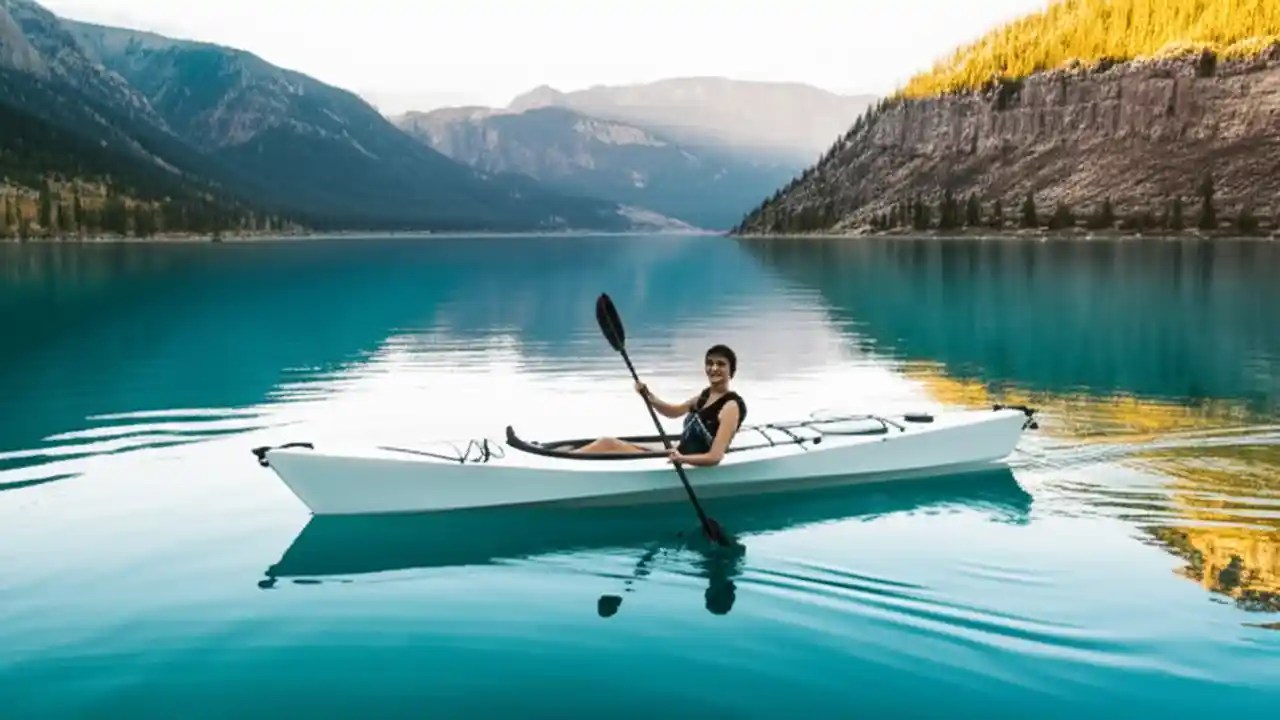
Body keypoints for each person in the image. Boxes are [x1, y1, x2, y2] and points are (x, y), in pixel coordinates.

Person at [573, 344, 747, 467]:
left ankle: (568, 462)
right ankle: (571, 459)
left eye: (721, 364)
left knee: (607, 443)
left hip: (685, 460)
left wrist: (682, 460)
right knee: (607, 443)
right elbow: (673, 411)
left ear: (731, 370)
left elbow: (715, 457)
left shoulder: (730, 406)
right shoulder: (704, 396)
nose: (714, 368)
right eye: (710, 363)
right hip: (677, 452)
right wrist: (648, 396)